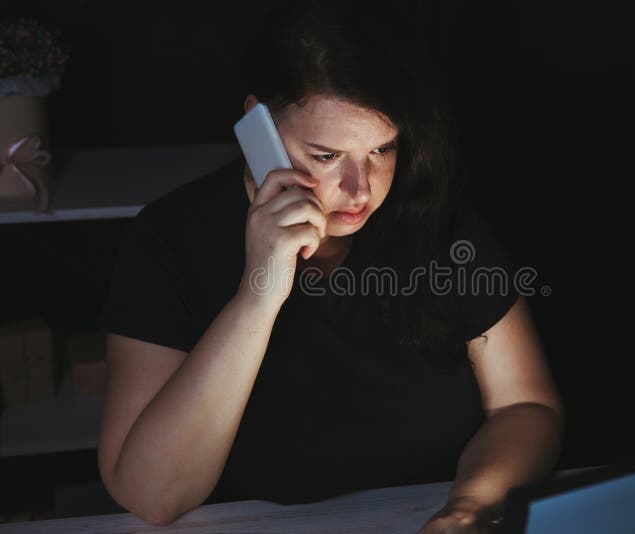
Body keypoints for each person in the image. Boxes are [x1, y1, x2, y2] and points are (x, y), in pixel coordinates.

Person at [96, 1, 564, 531]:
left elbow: (524, 406)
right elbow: (151, 495)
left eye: (381, 151)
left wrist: (468, 509)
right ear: (258, 127)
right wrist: (259, 294)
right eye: (324, 156)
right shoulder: (169, 239)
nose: (358, 190)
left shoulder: (438, 221)